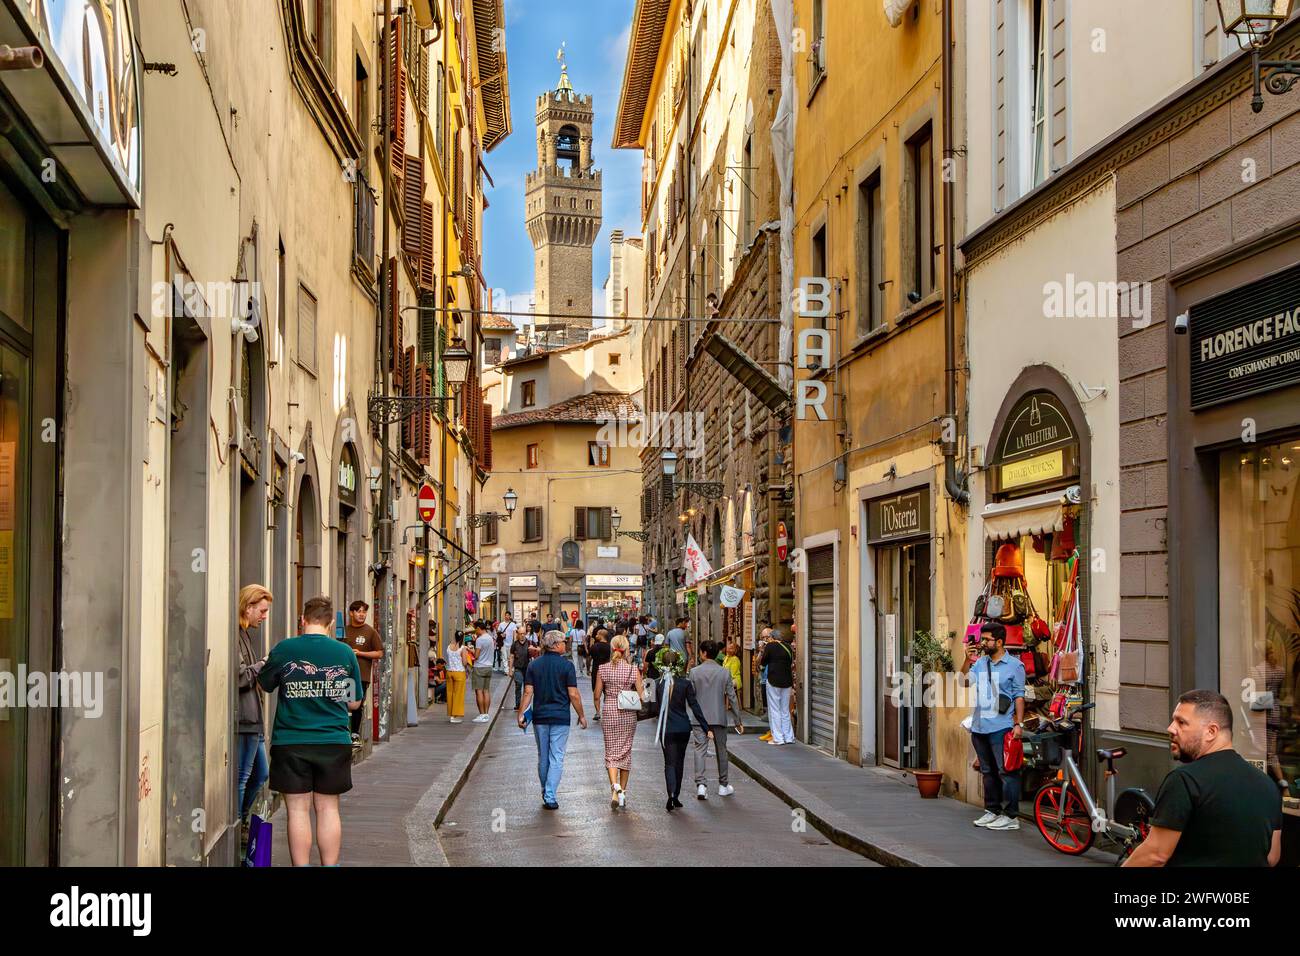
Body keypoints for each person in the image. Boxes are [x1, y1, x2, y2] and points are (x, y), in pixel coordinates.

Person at [257, 596, 362, 866]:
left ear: (302, 620)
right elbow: (354, 702)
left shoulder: (284, 649)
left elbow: (265, 684)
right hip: (333, 740)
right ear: (330, 623)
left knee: (297, 811)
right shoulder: (345, 653)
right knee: (328, 808)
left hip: (292, 741)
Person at [1124, 689, 1282, 867]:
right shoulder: (1268, 785)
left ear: (1211, 731)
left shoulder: (1184, 780)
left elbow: (1155, 855)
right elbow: (1272, 857)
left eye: (1181, 722)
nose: (1170, 728)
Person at [960, 621, 1026, 831]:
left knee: (1006, 772)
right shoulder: (980, 663)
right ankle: (993, 810)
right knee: (988, 771)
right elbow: (963, 681)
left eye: (987, 639)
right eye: (983, 639)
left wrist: (1019, 724)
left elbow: (1019, 696)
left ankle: (1011, 816)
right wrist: (966, 658)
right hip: (979, 726)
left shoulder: (1015, 666)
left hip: (1001, 726)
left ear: (999, 641)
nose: (983, 642)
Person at [517, 630, 587, 809]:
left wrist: (521, 713)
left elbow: (528, 692)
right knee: (557, 757)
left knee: (543, 757)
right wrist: (581, 715)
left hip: (540, 716)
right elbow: (573, 694)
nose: (566, 644)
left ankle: (545, 790)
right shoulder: (567, 666)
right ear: (556, 645)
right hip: (560, 717)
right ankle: (549, 795)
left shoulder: (535, 665)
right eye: (564, 641)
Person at [653, 651, 712, 812]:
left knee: (669, 763)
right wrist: (706, 727)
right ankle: (676, 795)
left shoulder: (657, 683)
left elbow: (655, 708)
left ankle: (671, 795)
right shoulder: (684, 684)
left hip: (667, 728)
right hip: (683, 727)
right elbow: (695, 706)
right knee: (679, 762)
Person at [594, 634, 646, 809]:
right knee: (625, 751)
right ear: (626, 650)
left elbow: (596, 695)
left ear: (612, 648)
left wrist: (598, 709)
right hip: (628, 714)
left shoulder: (603, 669)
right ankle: (623, 790)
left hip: (609, 712)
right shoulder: (633, 670)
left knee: (611, 752)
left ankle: (614, 790)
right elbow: (641, 695)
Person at [236, 584, 272, 837]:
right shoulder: (236, 634)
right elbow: (240, 677)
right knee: (243, 776)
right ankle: (238, 823)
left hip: (253, 717)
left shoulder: (245, 633)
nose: (264, 616)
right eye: (262, 610)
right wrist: (263, 664)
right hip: (245, 718)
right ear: (248, 607)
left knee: (261, 773)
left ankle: (242, 818)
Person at [688, 640, 744, 799]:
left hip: (699, 719)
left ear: (704, 653)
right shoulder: (724, 672)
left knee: (700, 750)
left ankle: (701, 785)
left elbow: (690, 697)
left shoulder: (694, 672)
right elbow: (732, 697)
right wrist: (737, 720)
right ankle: (723, 785)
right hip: (719, 717)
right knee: (722, 750)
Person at [342, 601, 383, 741]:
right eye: (359, 611)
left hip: (362, 675)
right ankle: (344, 731)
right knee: (344, 702)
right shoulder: (344, 631)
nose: (362, 614)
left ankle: (355, 733)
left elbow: (379, 653)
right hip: (344, 674)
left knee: (357, 704)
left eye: (364, 612)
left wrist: (360, 653)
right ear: (351, 613)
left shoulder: (370, 632)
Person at [759, 626, 796, 746]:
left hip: (773, 680)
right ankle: (789, 737)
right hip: (787, 681)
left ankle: (778, 738)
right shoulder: (788, 647)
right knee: (785, 710)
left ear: (772, 637)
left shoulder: (770, 646)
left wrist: (763, 650)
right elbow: (790, 663)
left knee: (774, 709)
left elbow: (763, 662)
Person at [471, 621, 496, 722]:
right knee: (486, 690)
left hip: (479, 667)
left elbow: (476, 656)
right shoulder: (490, 638)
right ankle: (486, 714)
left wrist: (470, 650)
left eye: (475, 629)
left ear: (478, 628)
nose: (475, 631)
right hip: (489, 667)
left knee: (479, 691)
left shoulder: (479, 640)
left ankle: (482, 714)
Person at [444, 631, 469, 723]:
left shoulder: (449, 647)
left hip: (450, 672)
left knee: (450, 694)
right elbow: (464, 662)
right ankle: (456, 716)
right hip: (459, 672)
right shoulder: (462, 648)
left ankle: (451, 715)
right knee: (458, 695)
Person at [588, 628, 612, 715]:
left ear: (601, 635)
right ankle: (607, 709)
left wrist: (587, 669)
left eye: (598, 633)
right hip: (607, 671)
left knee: (596, 693)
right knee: (607, 692)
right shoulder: (610, 647)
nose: (596, 634)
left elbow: (589, 658)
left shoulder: (594, 646)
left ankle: (597, 712)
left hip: (596, 670)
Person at [509, 629, 531, 709]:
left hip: (528, 669)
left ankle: (526, 704)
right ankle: (518, 704)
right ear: (517, 634)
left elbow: (536, 653)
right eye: (521, 634)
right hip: (518, 668)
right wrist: (510, 669)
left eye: (524, 634)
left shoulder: (529, 643)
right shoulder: (514, 645)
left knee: (527, 687)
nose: (522, 635)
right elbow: (511, 657)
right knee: (518, 685)